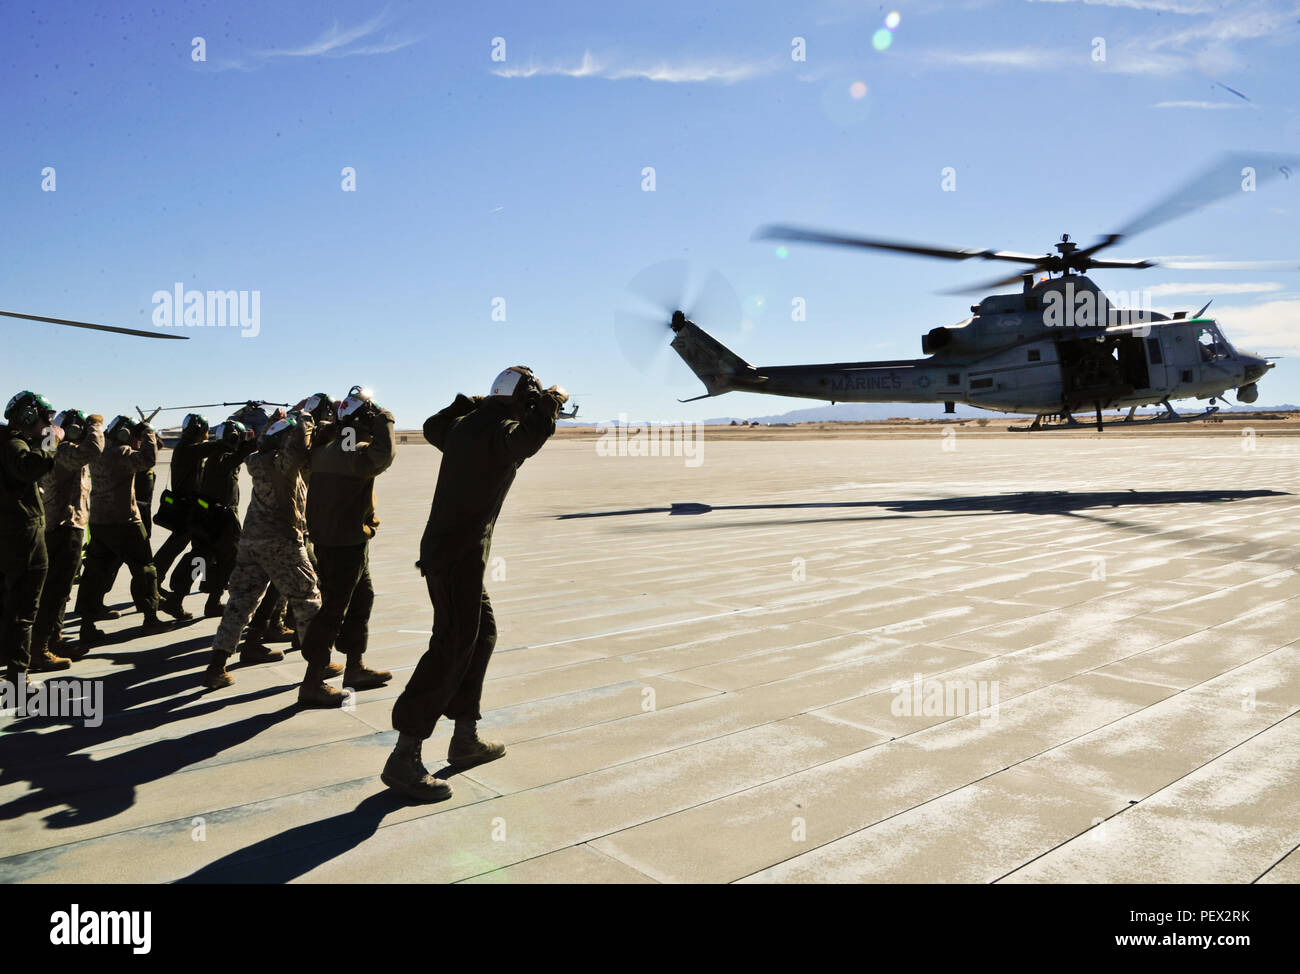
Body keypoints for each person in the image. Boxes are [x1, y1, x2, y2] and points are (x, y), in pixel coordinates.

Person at [384, 367, 567, 803]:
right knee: (451, 644)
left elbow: (433, 426)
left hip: (453, 554)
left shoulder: (466, 426)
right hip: (457, 556)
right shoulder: (502, 431)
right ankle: (405, 754)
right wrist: (551, 404)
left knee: (480, 635)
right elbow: (529, 439)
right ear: (522, 399)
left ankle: (465, 737)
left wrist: (470, 402)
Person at [201, 408, 341, 703]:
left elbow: (280, 443)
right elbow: (298, 446)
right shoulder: (282, 465)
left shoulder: (257, 460)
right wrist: (304, 418)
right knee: (308, 601)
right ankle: (317, 673)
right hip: (282, 542)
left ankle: (217, 666)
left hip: (252, 541)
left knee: (240, 602)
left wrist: (279, 423)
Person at [303, 386, 395, 696]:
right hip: (344, 542)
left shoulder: (326, 448)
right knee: (334, 608)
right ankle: (312, 682)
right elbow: (383, 456)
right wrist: (386, 419)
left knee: (361, 597)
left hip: (341, 538)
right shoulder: (354, 453)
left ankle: (355, 667)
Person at [75, 416, 175, 645]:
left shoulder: (98, 451)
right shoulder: (121, 453)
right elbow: (148, 459)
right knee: (145, 569)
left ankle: (87, 625)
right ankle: (150, 618)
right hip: (125, 520)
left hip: (99, 522)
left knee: (95, 572)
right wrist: (149, 431)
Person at [31, 410, 104, 666]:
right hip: (62, 529)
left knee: (61, 591)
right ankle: (39, 650)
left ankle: (54, 641)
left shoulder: (62, 450)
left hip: (68, 527)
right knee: (53, 592)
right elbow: (94, 449)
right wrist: (94, 425)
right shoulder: (62, 453)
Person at [1, 391, 60, 685]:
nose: (47, 423)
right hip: (22, 533)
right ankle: (17, 676)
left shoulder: (7, 442)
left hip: (12, 531)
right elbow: (29, 469)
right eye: (44, 419)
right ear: (28, 417)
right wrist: (51, 442)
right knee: (24, 606)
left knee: (10, 603)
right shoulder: (14, 445)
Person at [174, 418, 257, 616]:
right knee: (229, 560)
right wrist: (253, 443)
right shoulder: (220, 457)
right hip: (219, 520)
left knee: (202, 558)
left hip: (206, 517)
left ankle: (180, 598)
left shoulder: (217, 454)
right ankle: (209, 601)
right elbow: (234, 459)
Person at [155, 414, 230, 619]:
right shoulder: (187, 449)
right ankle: (156, 586)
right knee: (180, 548)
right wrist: (228, 441)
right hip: (185, 509)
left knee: (186, 549)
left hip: (189, 507)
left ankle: (162, 586)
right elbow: (210, 448)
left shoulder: (187, 448)